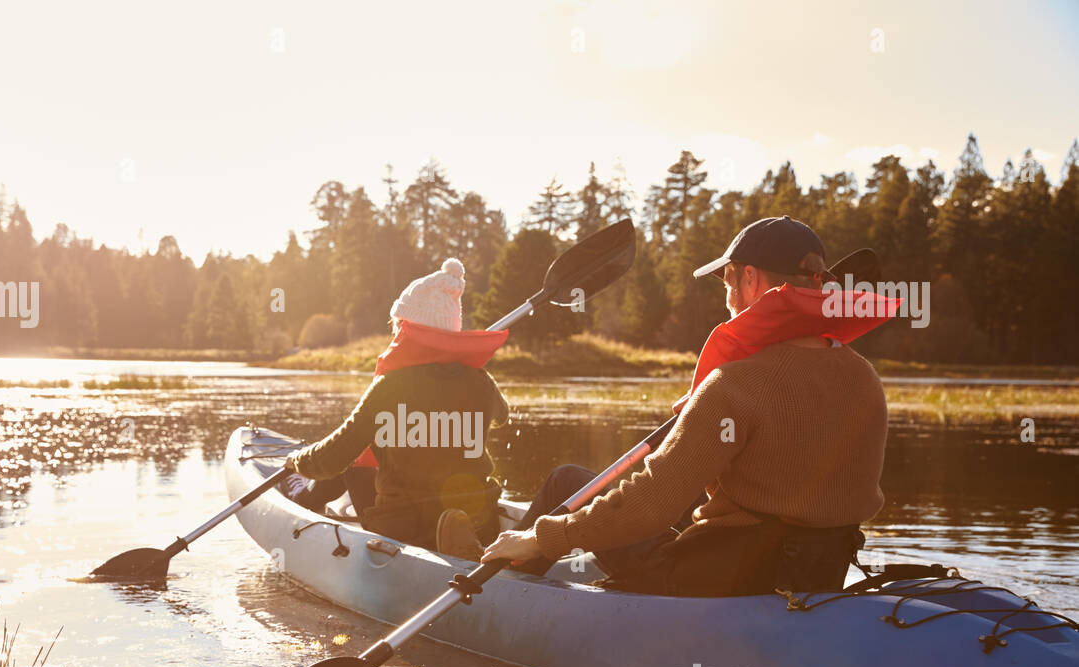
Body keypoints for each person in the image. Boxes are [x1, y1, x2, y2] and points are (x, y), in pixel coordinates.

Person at [481, 216, 896, 597]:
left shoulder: (734, 385)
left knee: (569, 481)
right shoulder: (865, 378)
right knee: (692, 493)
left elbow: (646, 507)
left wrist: (542, 536)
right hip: (814, 575)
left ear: (750, 279)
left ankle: (501, 582)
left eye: (728, 282)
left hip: (711, 587)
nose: (728, 299)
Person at [284, 258, 510, 556]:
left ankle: (298, 496)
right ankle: (463, 539)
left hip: (408, 528)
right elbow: (502, 418)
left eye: (397, 326)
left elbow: (330, 459)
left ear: (407, 329)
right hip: (478, 521)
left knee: (353, 463)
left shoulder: (391, 387)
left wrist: (296, 460)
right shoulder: (482, 383)